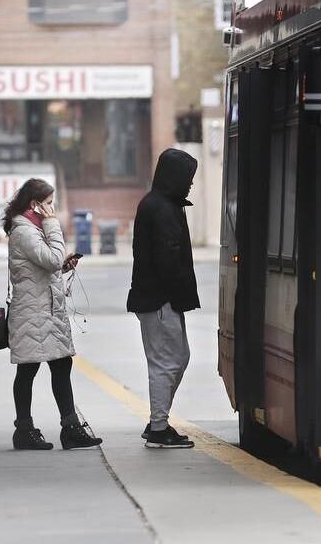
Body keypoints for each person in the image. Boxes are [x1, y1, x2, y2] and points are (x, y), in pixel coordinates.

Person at [3, 178, 102, 450]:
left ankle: (67, 428)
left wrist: (64, 267)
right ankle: (26, 429)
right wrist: (53, 225)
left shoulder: (31, 228)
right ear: (34, 204)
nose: (52, 208)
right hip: (33, 312)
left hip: (44, 309)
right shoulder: (25, 230)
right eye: (48, 203)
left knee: (58, 365)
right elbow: (51, 259)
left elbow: (48, 266)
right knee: (29, 369)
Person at [128, 149, 200, 449]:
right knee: (166, 363)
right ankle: (158, 427)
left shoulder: (160, 204)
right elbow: (169, 257)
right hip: (160, 300)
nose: (191, 184)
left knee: (177, 358)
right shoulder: (162, 208)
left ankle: (158, 420)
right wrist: (181, 294)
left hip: (159, 299)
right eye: (188, 178)